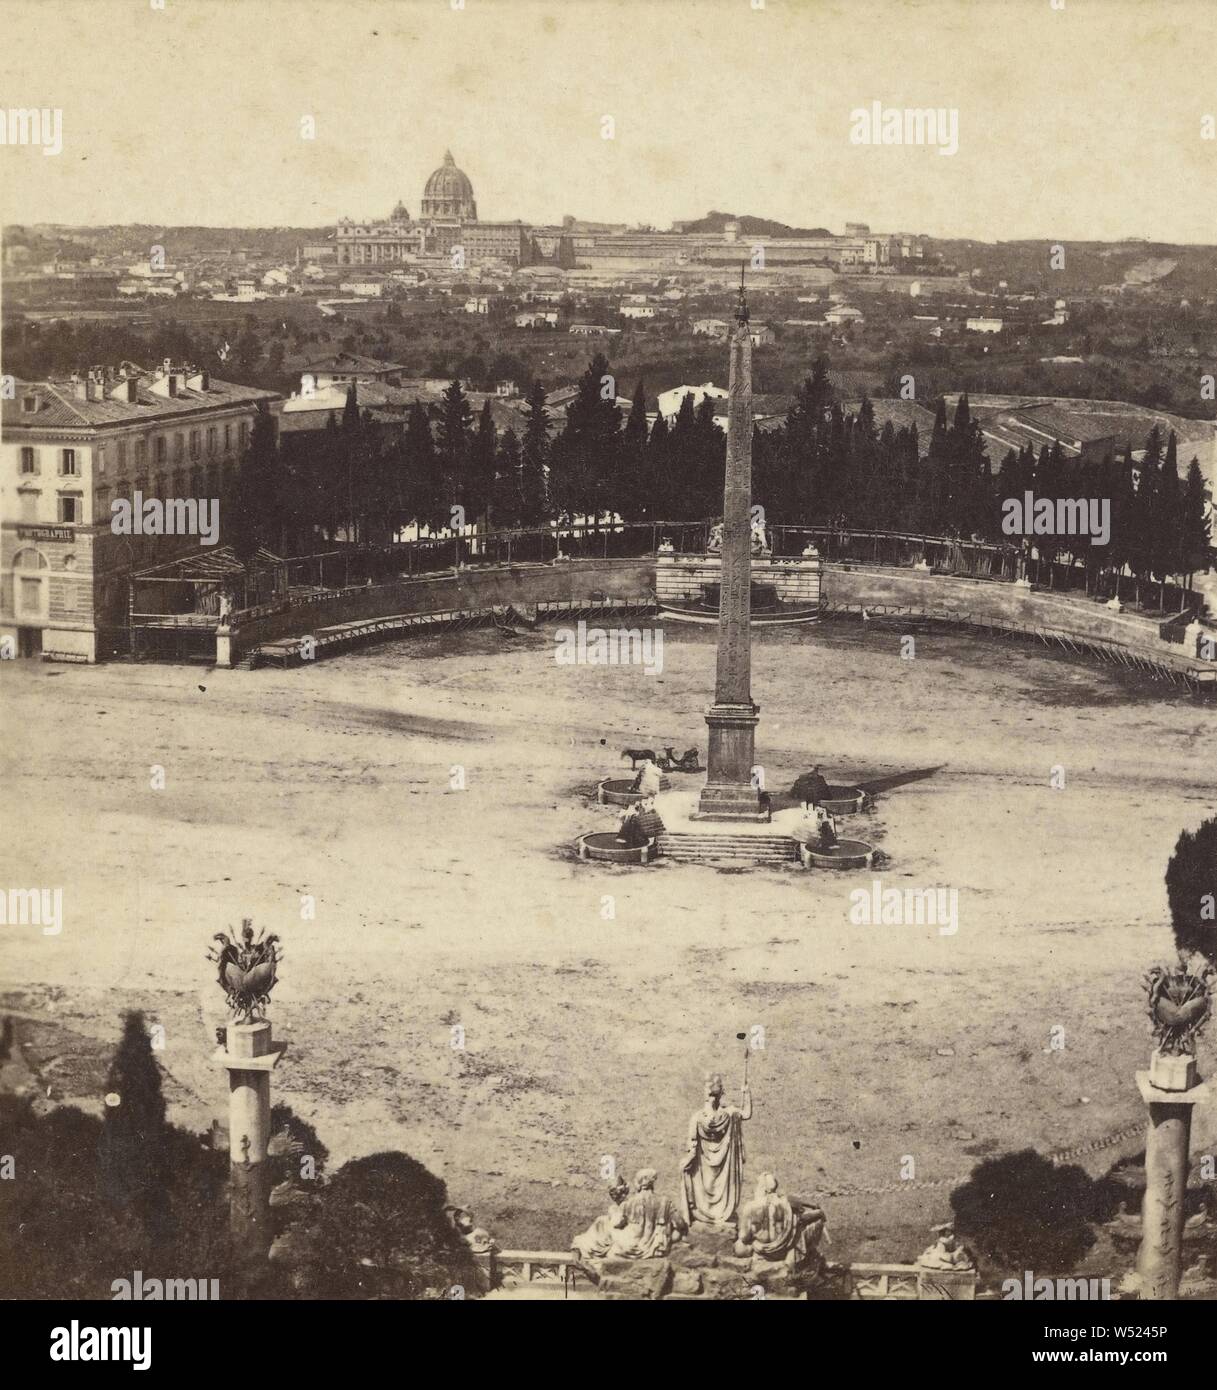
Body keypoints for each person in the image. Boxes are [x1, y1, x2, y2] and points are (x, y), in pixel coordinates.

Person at [679, 1072, 751, 1228]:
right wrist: (745, 1091)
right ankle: (721, 1214)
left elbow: (692, 1147)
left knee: (699, 1182)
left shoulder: (697, 1118)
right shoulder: (730, 1114)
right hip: (724, 1171)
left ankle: (704, 1213)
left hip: (702, 1170)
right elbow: (746, 1113)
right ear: (721, 1093)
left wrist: (686, 1163)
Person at [610, 1169, 686, 1259]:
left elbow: (615, 1224)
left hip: (630, 1247)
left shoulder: (628, 1203)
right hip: (657, 1248)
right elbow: (680, 1223)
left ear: (639, 1183)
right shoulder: (665, 1202)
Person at [572, 1178, 631, 1263]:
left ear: (621, 1192)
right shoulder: (613, 1208)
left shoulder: (627, 1205)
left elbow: (623, 1222)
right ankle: (588, 1242)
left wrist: (616, 1223)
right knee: (599, 1221)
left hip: (620, 1232)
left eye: (614, 1192)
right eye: (611, 1193)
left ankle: (591, 1244)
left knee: (601, 1221)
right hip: (610, 1230)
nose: (612, 1195)